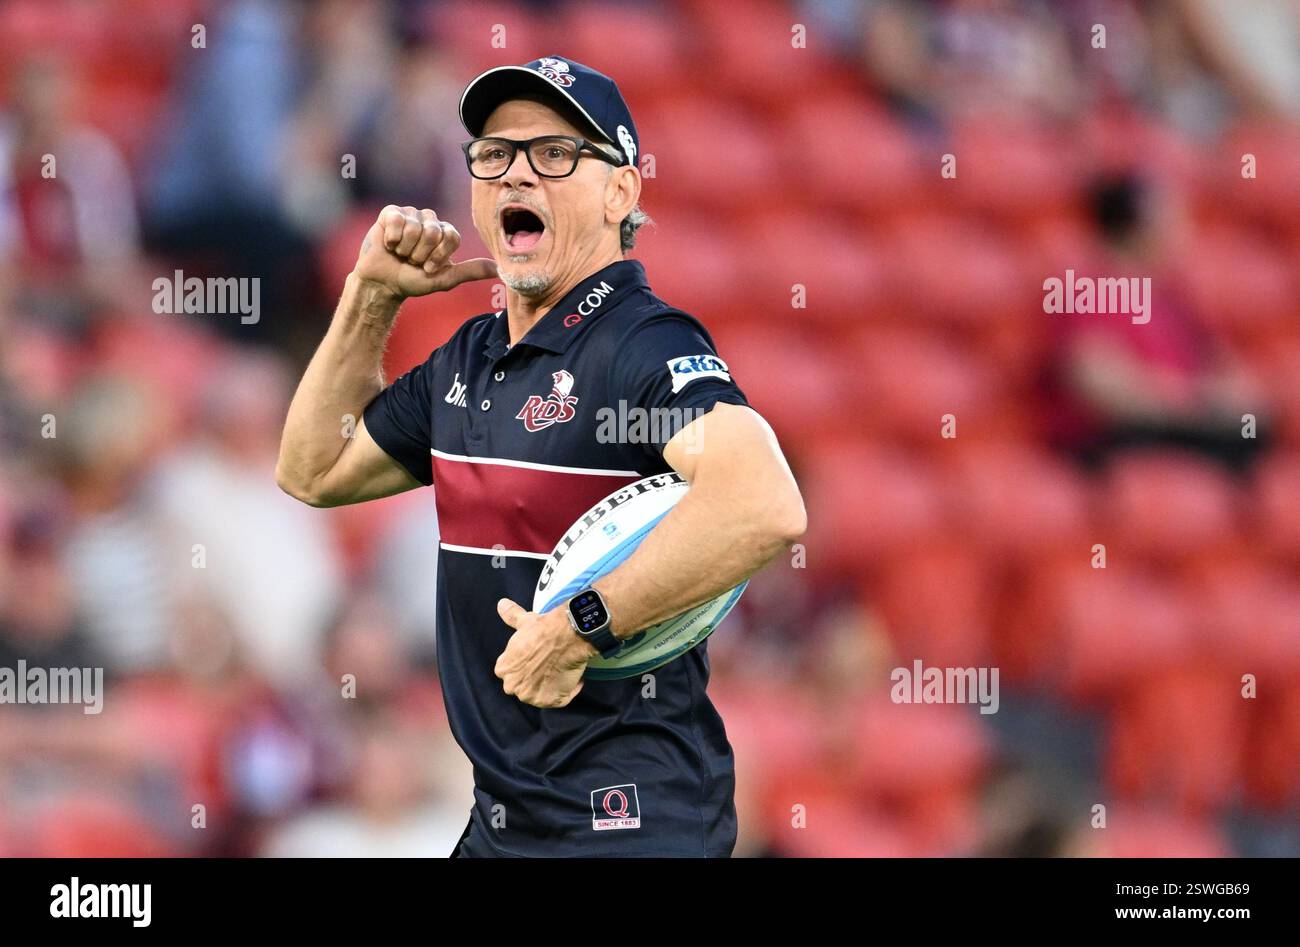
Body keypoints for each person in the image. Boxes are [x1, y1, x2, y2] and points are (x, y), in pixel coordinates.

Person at [276, 57, 806, 857]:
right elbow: (312, 469)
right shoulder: (466, 360)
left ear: (620, 193)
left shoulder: (640, 344)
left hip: (631, 819)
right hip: (508, 815)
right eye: (494, 154)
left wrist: (580, 626)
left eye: (555, 154)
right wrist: (370, 296)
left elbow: (764, 503)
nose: (516, 173)